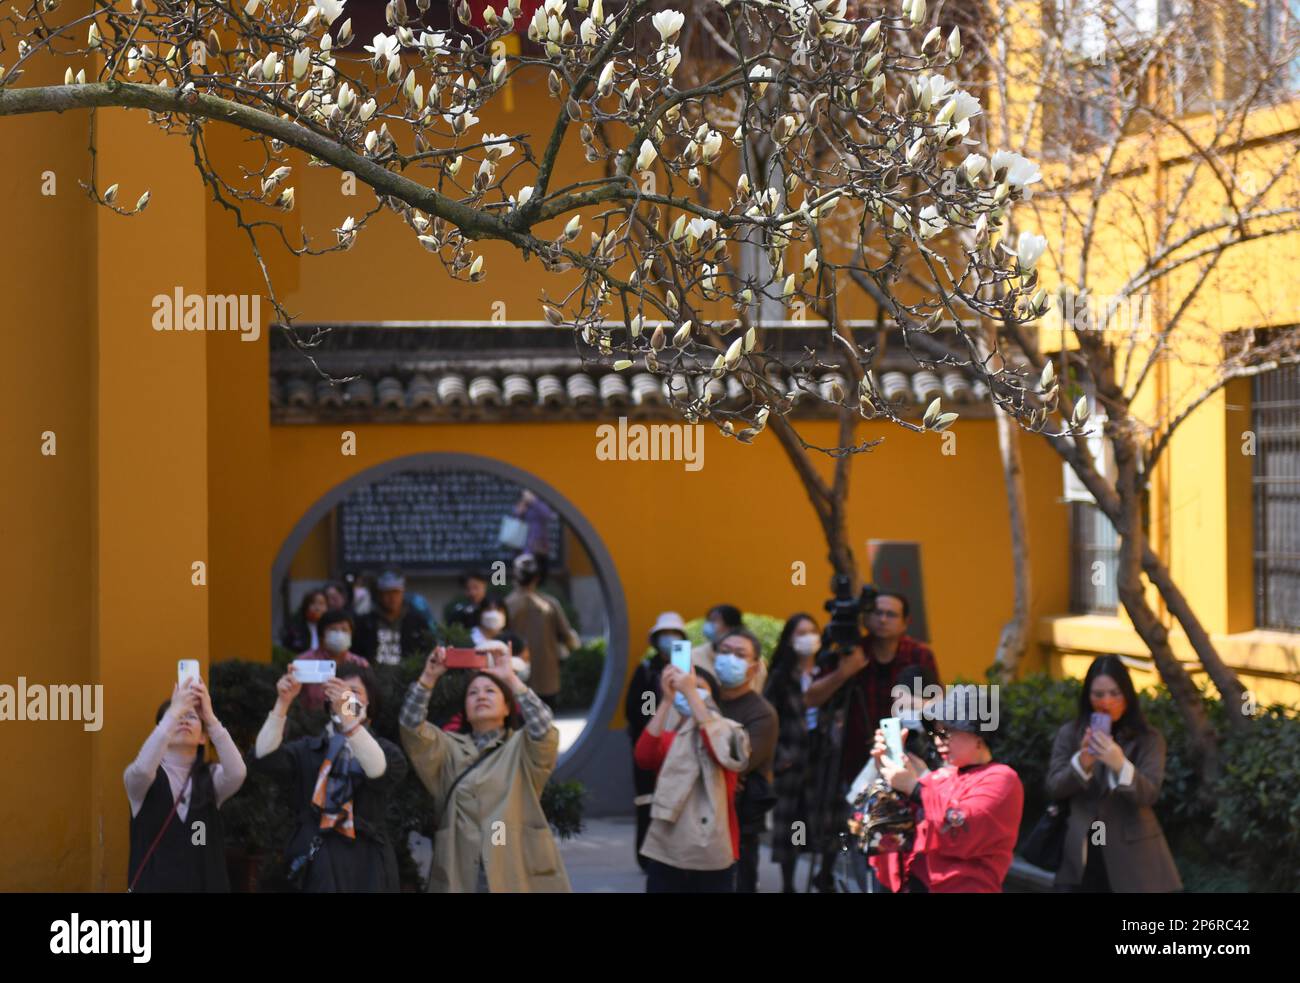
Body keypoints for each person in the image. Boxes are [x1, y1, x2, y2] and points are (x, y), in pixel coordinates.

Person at [400, 642, 571, 892]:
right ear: (465, 713)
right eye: (473, 693)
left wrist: (511, 679)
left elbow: (545, 728)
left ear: (507, 707)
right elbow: (410, 726)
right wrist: (428, 678)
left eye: (490, 691)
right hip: (460, 869)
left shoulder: (522, 746)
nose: (480, 696)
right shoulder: (447, 748)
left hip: (514, 866)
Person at [803, 590, 938, 888]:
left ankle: (891, 878)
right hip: (850, 758)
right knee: (847, 827)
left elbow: (934, 707)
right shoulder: (851, 652)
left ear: (906, 622)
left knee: (893, 832)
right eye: (877, 613)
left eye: (891, 614)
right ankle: (837, 875)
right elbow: (810, 698)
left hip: (904, 760)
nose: (882, 620)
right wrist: (844, 672)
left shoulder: (919, 656)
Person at [252, 662, 408, 892]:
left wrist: (348, 717)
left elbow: (378, 771)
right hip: (316, 862)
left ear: (370, 702)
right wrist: (282, 702)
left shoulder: (385, 750)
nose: (344, 697)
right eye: (339, 690)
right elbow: (263, 756)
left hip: (366, 867)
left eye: (353, 692)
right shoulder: (309, 748)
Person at [1046, 654, 1182, 893]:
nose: (1106, 702)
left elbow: (1149, 794)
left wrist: (1120, 764)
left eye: (1115, 693)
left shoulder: (1148, 739)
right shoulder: (1071, 733)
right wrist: (1082, 762)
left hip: (1132, 855)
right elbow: (1055, 787)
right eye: (1098, 694)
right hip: (1080, 852)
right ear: (1088, 697)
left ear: (1127, 695)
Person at [869, 686, 1024, 893]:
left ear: (978, 735)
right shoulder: (941, 776)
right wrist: (890, 766)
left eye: (947, 731)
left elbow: (960, 823)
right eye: (935, 732)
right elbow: (899, 826)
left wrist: (913, 788)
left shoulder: (1002, 778)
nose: (937, 739)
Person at [636, 663, 751, 892]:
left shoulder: (729, 732)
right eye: (683, 686)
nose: (687, 690)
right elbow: (644, 757)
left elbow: (720, 751)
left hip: (714, 849)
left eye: (697, 686)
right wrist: (667, 701)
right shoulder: (670, 737)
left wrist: (691, 695)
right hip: (670, 848)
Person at [125, 676, 246, 892]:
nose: (183, 720)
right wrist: (173, 713)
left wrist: (210, 717)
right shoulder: (141, 780)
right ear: (163, 732)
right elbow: (142, 770)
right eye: (177, 717)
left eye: (191, 716)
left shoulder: (211, 777)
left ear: (202, 737)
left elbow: (237, 773)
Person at [714, 628, 779, 893]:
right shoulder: (703, 699)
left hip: (740, 815)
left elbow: (740, 762)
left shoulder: (761, 712)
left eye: (740, 654)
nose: (730, 659)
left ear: (753, 668)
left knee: (740, 881)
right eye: (725, 652)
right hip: (704, 814)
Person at [624, 611, 689, 871]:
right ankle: (646, 855)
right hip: (652, 747)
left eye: (674, 635)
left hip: (681, 747)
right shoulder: (647, 670)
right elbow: (635, 710)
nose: (669, 640)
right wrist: (652, 729)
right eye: (664, 635)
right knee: (648, 801)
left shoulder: (689, 671)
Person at [764, 613, 822, 892]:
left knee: (825, 821)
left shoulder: (826, 672)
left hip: (822, 758)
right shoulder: (780, 676)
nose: (807, 638)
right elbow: (768, 717)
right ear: (789, 639)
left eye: (812, 631)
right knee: (790, 825)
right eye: (800, 633)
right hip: (791, 759)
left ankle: (823, 877)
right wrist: (778, 755)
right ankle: (789, 883)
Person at [505, 552, 580, 712]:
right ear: (538, 577)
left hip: (517, 677)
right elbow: (569, 638)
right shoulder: (550, 604)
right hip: (548, 678)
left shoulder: (506, 605)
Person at [353, 568, 436, 666]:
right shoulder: (365, 623)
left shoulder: (417, 622)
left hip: (408, 677)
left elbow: (428, 651)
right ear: (379, 594)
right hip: (372, 677)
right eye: (387, 592)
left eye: (396, 592)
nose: (392, 597)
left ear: (403, 593)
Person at [293, 609, 372, 712]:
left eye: (344, 630)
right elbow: (293, 700)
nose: (339, 634)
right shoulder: (304, 662)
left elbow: (370, 701)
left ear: (351, 635)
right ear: (321, 636)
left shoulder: (361, 664)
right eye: (333, 630)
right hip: (309, 723)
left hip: (351, 723)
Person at [514, 489, 557, 584]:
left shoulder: (539, 505)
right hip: (524, 549)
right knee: (525, 575)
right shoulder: (523, 506)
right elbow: (515, 521)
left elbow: (547, 514)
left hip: (539, 547)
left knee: (540, 575)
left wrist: (533, 501)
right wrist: (520, 511)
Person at [692, 603, 742, 676]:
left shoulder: (752, 658)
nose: (708, 625)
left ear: (730, 626)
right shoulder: (694, 655)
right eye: (708, 620)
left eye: (714, 620)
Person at [280, 588, 327, 654]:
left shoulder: (330, 627)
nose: (317, 608)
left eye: (321, 604)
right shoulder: (295, 627)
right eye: (313, 603)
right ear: (306, 606)